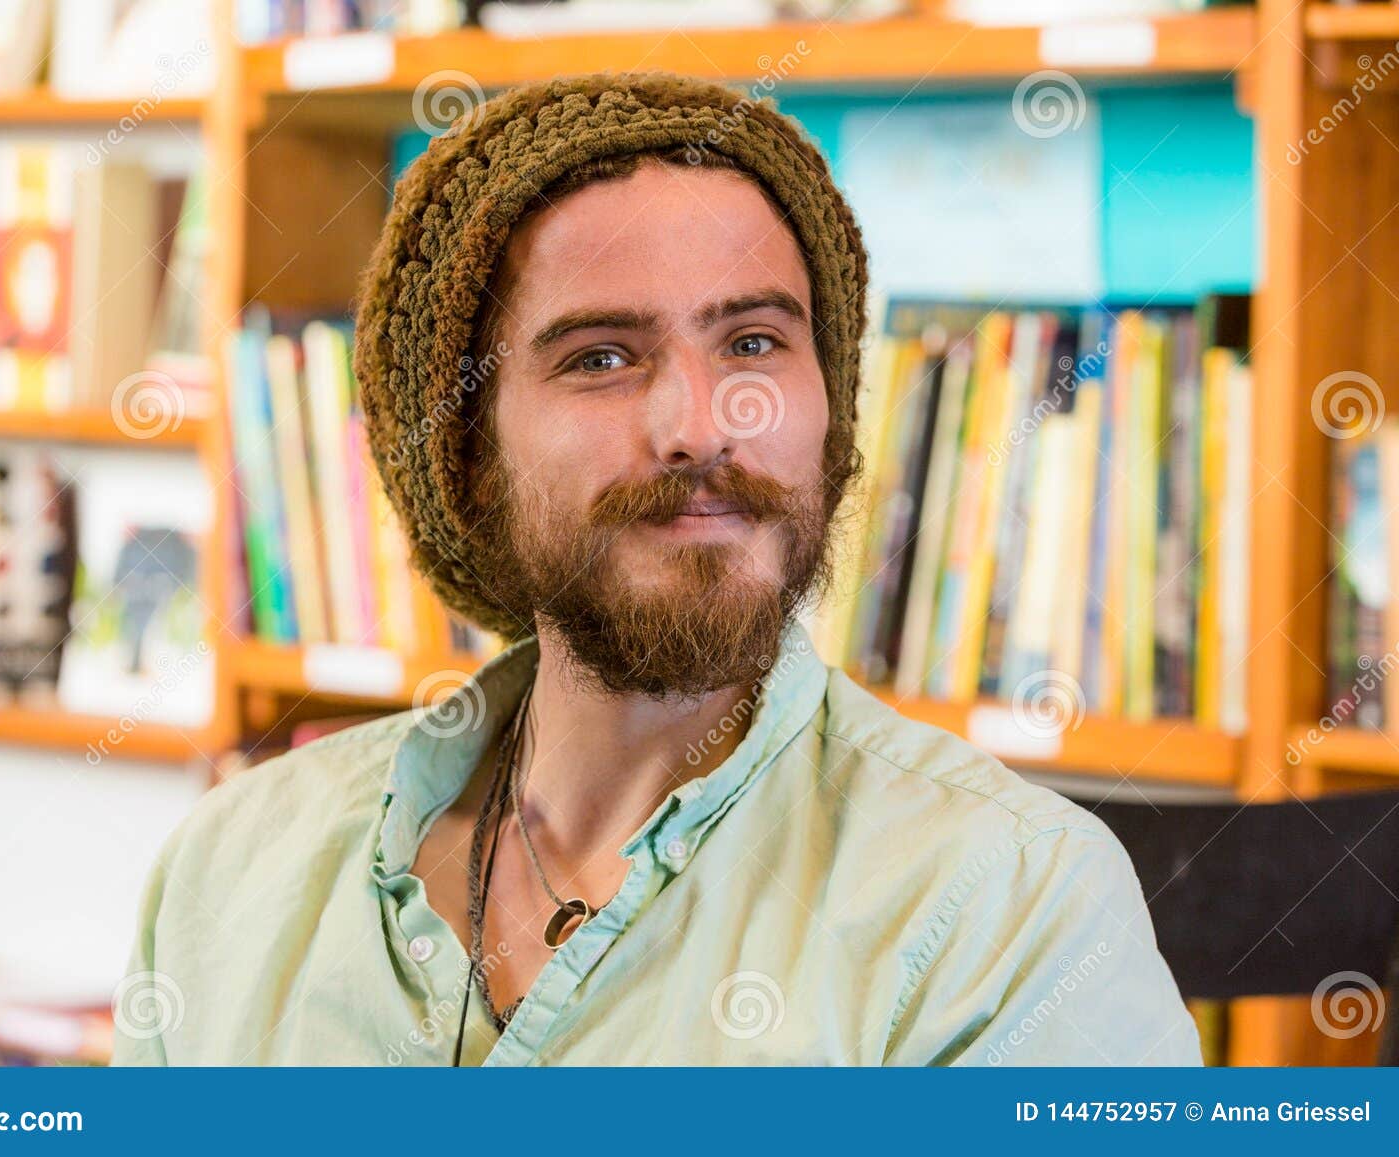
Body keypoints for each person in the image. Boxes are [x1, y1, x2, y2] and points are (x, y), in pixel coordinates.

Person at [113, 71, 1200, 1066]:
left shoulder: (1011, 909)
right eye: (600, 358)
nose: (701, 426)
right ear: (469, 457)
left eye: (754, 343)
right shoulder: (231, 871)